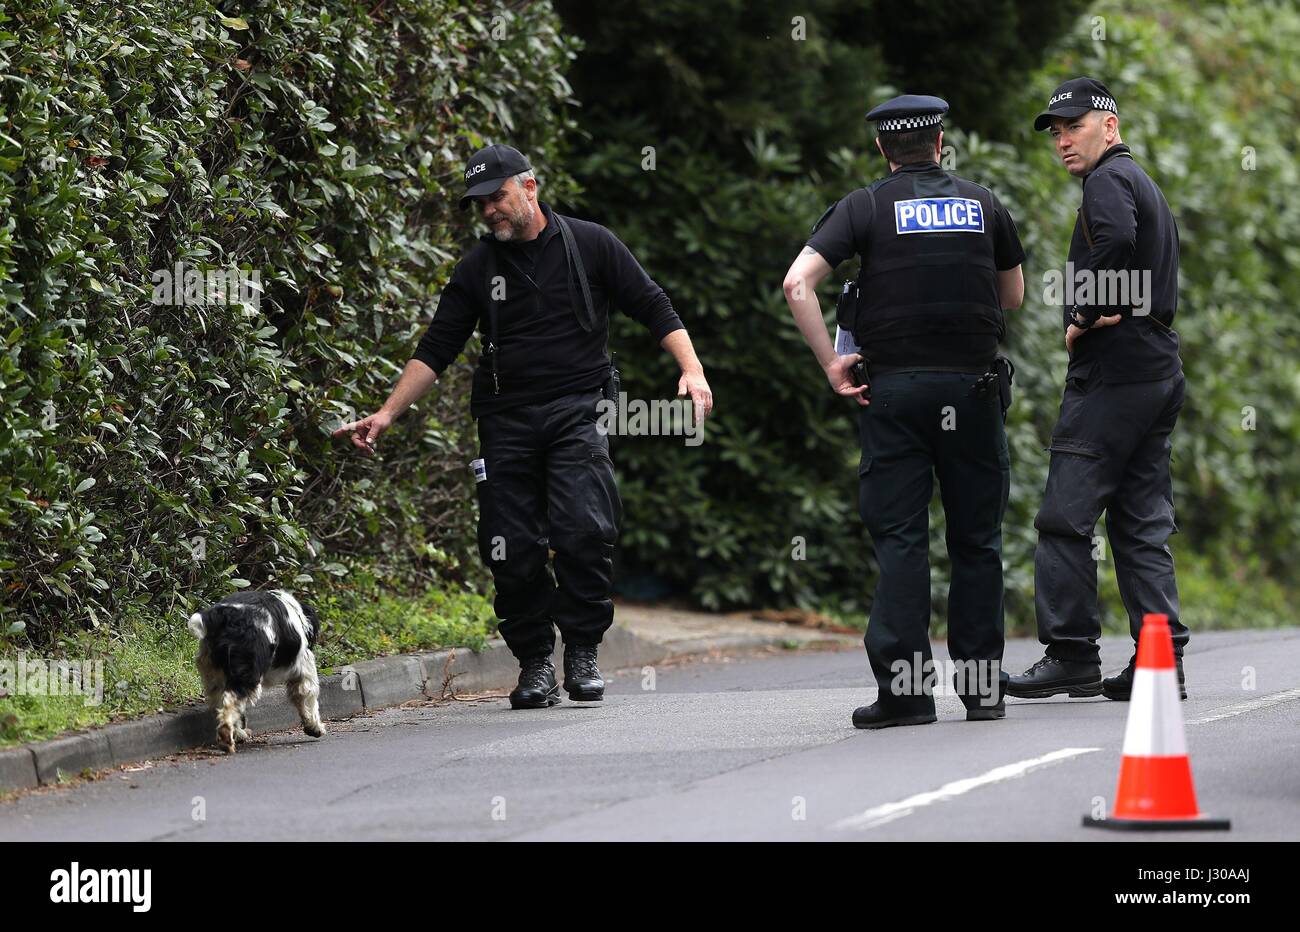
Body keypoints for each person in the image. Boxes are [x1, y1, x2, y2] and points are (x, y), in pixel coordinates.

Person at [336, 144, 712, 709]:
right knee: (509, 547)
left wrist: (692, 369)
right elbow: (437, 348)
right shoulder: (477, 268)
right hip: (505, 419)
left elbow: (654, 304)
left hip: (580, 410)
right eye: (479, 204)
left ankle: (582, 650)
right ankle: (535, 663)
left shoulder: (591, 244)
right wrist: (388, 413)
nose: (489, 211)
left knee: (585, 531)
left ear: (529, 187)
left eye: (497, 197)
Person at [783, 96, 1025, 728]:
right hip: (973, 394)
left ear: (883, 151)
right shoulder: (984, 204)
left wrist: (833, 363)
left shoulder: (863, 207)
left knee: (901, 539)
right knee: (976, 541)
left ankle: (908, 695)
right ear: (941, 141)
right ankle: (982, 692)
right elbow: (1014, 294)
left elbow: (796, 283)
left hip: (894, 396)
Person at [1008, 77, 1188, 702]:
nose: (1063, 140)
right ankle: (1160, 663)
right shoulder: (1144, 184)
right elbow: (1138, 257)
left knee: (1064, 516)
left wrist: (1084, 312)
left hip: (1113, 372)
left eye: (1073, 125)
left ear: (1109, 126)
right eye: (1056, 131)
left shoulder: (1108, 180)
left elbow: (1112, 242)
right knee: (1140, 524)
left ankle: (1071, 654)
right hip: (1156, 365)